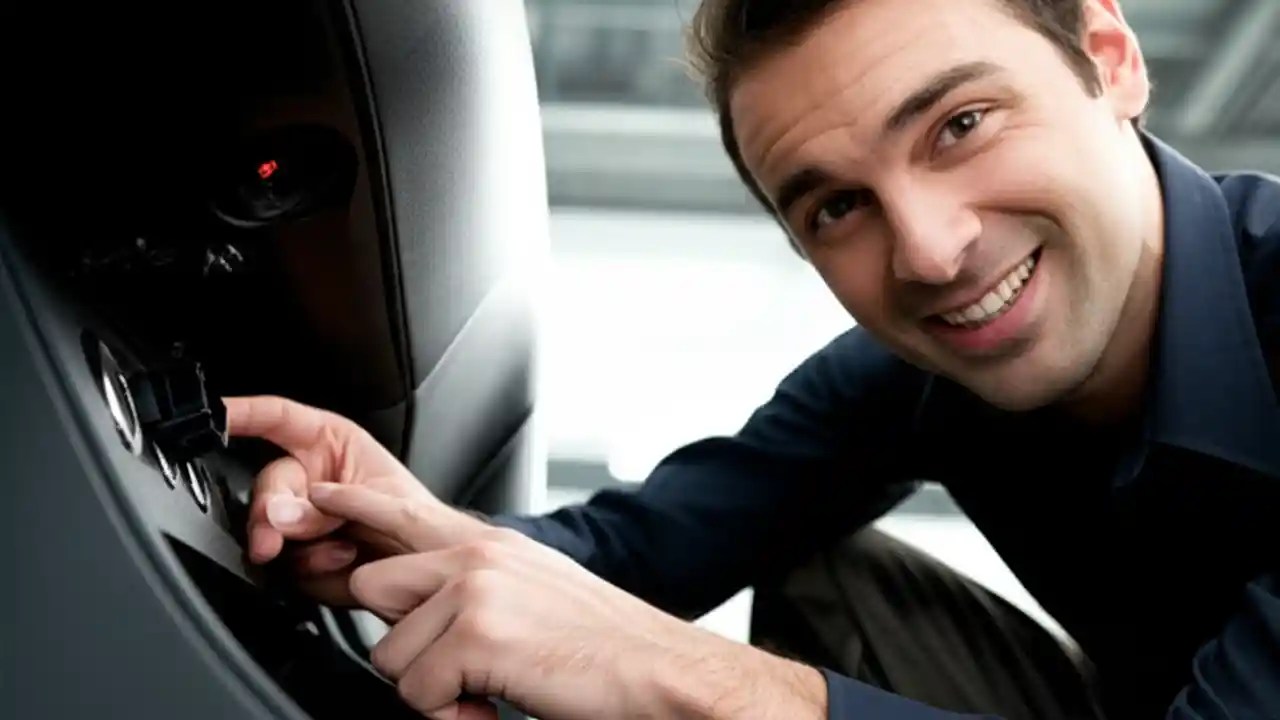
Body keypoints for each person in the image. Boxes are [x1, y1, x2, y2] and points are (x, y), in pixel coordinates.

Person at [223, 0, 1280, 717]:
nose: (925, 251)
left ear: (1107, 59)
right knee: (816, 551)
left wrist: (704, 686)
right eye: (834, 205)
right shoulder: (906, 373)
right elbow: (639, 547)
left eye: (959, 123)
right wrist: (397, 538)